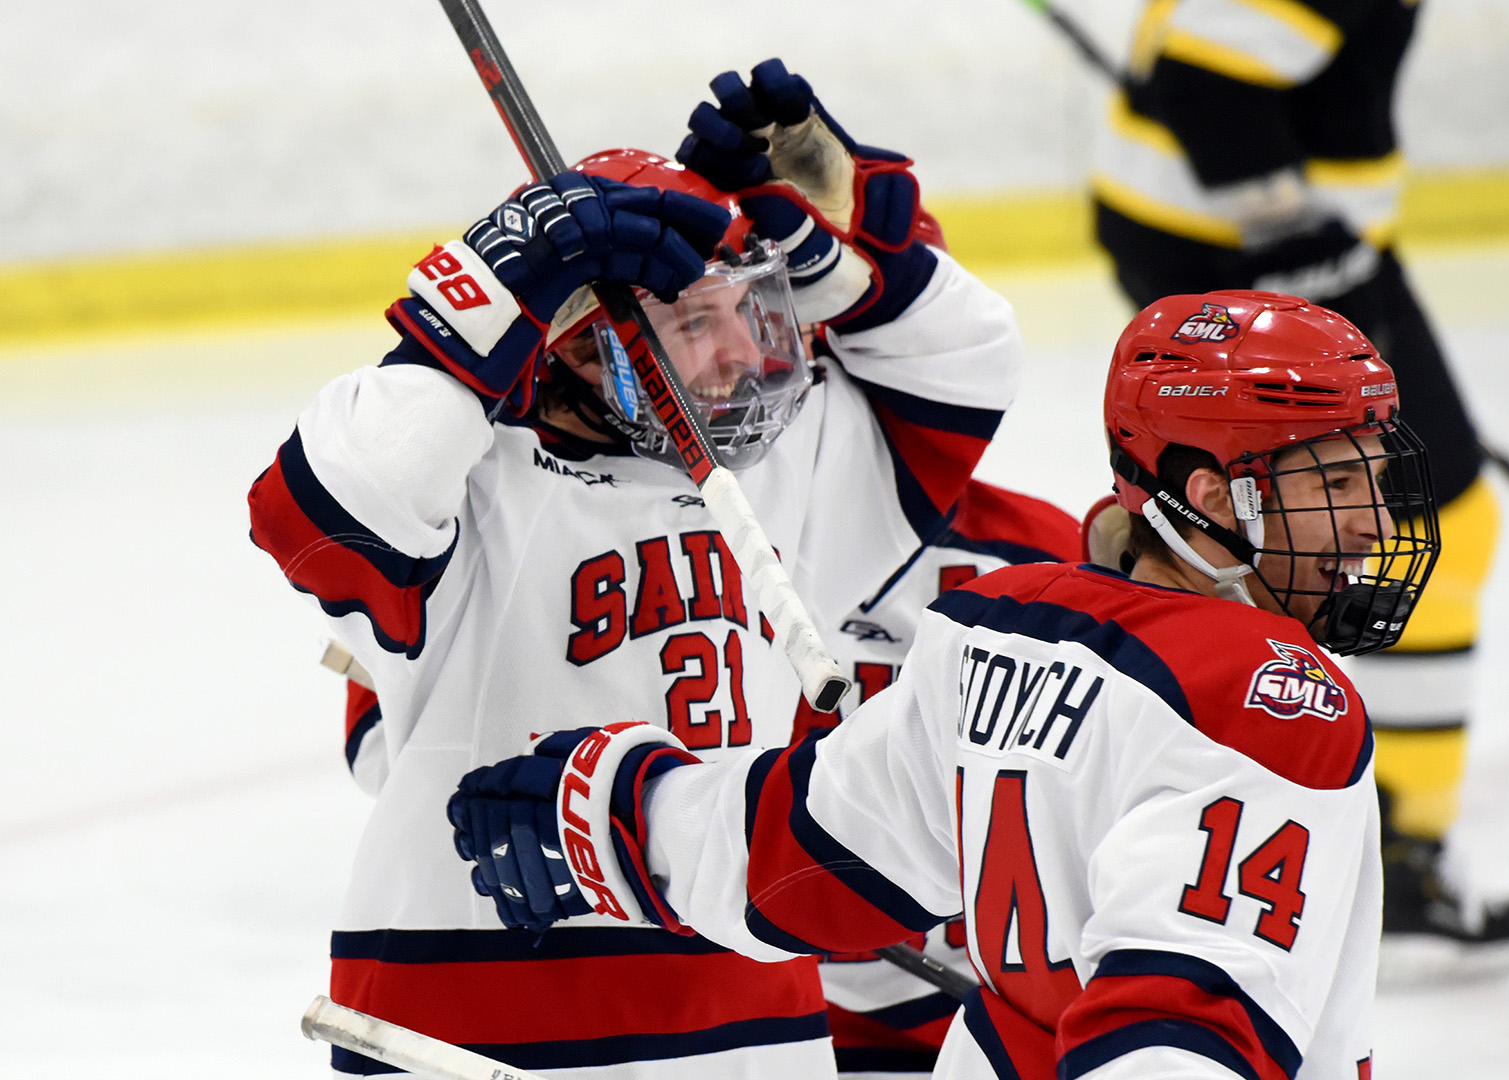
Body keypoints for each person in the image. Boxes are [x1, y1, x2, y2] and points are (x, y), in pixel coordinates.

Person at [250, 59, 1046, 1079]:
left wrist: (827, 258)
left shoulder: (780, 475)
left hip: (753, 1023)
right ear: (580, 344)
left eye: (746, 312)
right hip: (471, 1022)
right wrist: (493, 286)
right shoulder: (474, 485)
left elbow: (967, 360)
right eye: (694, 322)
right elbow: (317, 509)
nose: (738, 357)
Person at [446, 290, 1443, 1080]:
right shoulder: (1271, 705)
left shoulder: (997, 624)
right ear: (1212, 496)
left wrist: (605, 806)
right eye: (1332, 484)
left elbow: (810, 850)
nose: (1371, 523)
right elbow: (1178, 1035)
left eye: (1368, 478)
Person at [1087, 0, 1509, 970]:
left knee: (1303, 526)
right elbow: (1205, 79)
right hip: (1247, 255)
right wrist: (1288, 227)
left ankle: (1298, 822)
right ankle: (1367, 849)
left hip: (1268, 239)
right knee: (1380, 523)